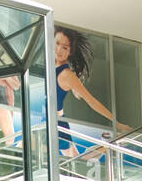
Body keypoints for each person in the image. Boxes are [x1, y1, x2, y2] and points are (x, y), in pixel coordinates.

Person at [52, 27, 125, 159]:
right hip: (51, 120)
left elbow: (92, 101)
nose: (58, 50)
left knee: (75, 161)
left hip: (55, 122)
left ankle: (107, 145)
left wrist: (117, 123)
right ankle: (106, 145)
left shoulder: (66, 75)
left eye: (65, 48)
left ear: (70, 52)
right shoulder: (51, 66)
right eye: (57, 43)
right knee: (76, 160)